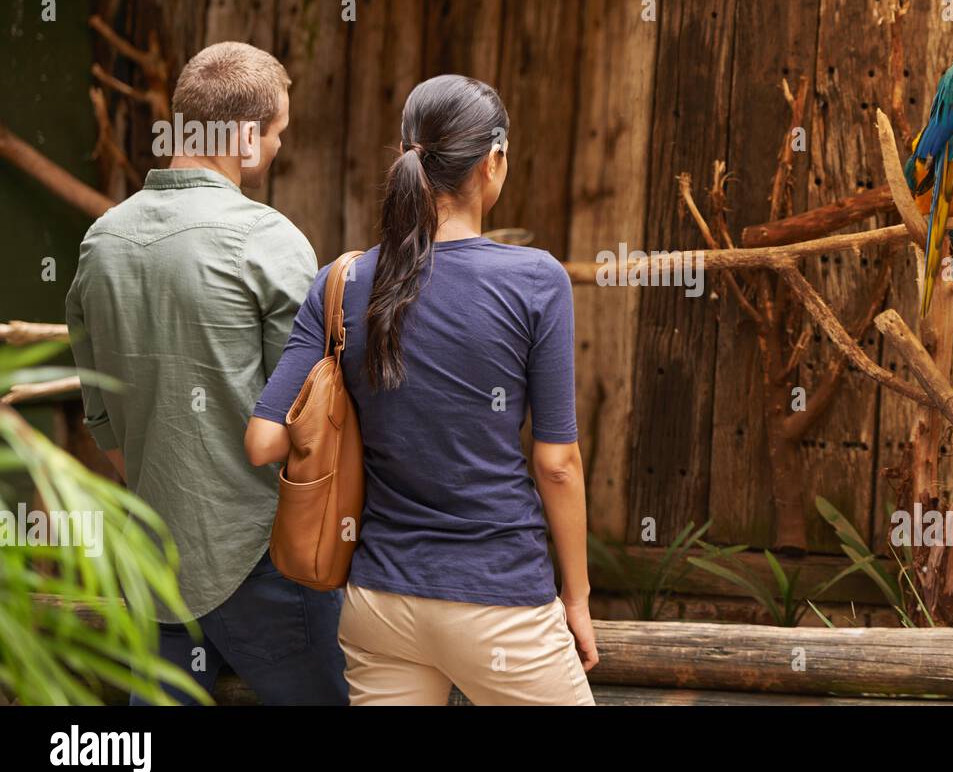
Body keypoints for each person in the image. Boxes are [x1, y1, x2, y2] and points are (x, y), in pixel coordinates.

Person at [245, 75, 598, 705]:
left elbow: (264, 441)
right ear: (493, 162)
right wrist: (576, 597)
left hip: (379, 607)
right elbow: (558, 465)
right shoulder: (537, 281)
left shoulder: (342, 281)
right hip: (502, 603)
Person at [65, 42, 348, 705]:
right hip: (265, 557)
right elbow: (307, 425)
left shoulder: (100, 244)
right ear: (245, 136)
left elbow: (102, 419)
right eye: (278, 133)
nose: (278, 148)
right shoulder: (269, 241)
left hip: (155, 563)